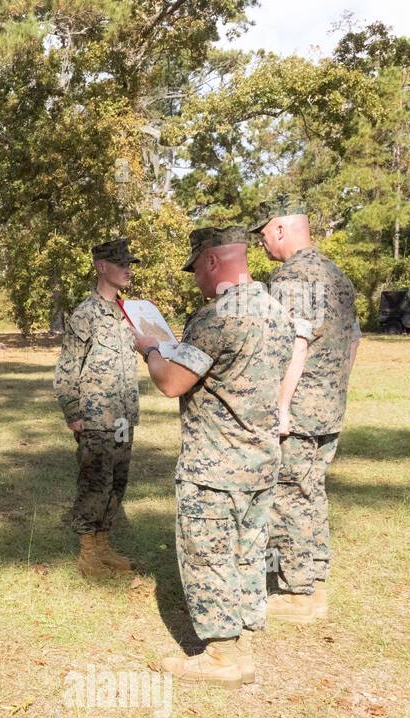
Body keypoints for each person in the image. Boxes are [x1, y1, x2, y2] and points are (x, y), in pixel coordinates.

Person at [133, 226, 310, 687]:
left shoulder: (217, 316)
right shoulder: (275, 309)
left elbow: (172, 381)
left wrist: (152, 349)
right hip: (260, 459)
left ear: (211, 261)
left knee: (207, 554)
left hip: (215, 465)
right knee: (246, 552)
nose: (196, 280)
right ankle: (245, 628)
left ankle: (223, 656)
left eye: (196, 269)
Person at [252, 196, 361, 623]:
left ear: (280, 229)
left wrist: (280, 406)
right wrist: (337, 388)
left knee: (289, 496)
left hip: (297, 411)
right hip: (329, 406)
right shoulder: (337, 275)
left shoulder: (292, 278)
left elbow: (294, 345)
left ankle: (298, 592)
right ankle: (314, 578)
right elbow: (354, 341)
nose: (262, 244)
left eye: (263, 235)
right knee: (311, 491)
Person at [53, 238, 141, 578]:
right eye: (122, 264)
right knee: (94, 484)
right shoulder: (85, 313)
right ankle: (87, 552)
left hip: (123, 417)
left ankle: (104, 545)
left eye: (129, 264)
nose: (128, 269)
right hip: (95, 418)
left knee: (118, 483)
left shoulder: (127, 312)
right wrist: (73, 412)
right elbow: (67, 368)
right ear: (102, 267)